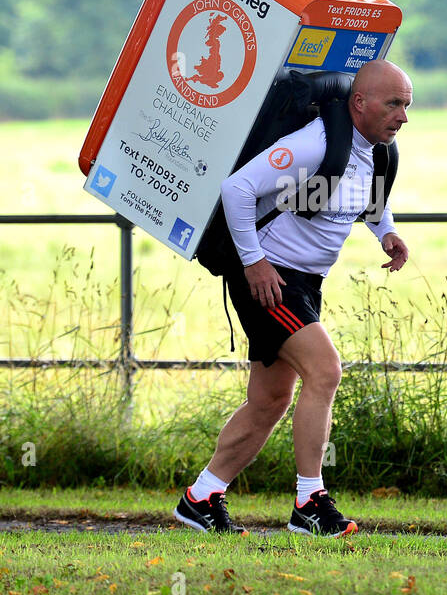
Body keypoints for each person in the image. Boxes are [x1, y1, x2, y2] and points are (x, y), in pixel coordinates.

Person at [173, 59, 412, 537]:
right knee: (325, 370)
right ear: (359, 103)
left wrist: (386, 233)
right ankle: (309, 501)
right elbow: (237, 188)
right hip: (271, 278)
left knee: (270, 400)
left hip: (306, 282)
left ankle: (201, 497)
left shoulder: (377, 151)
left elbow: (368, 202)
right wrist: (253, 261)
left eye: (407, 106)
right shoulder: (314, 143)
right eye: (394, 104)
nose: (403, 116)